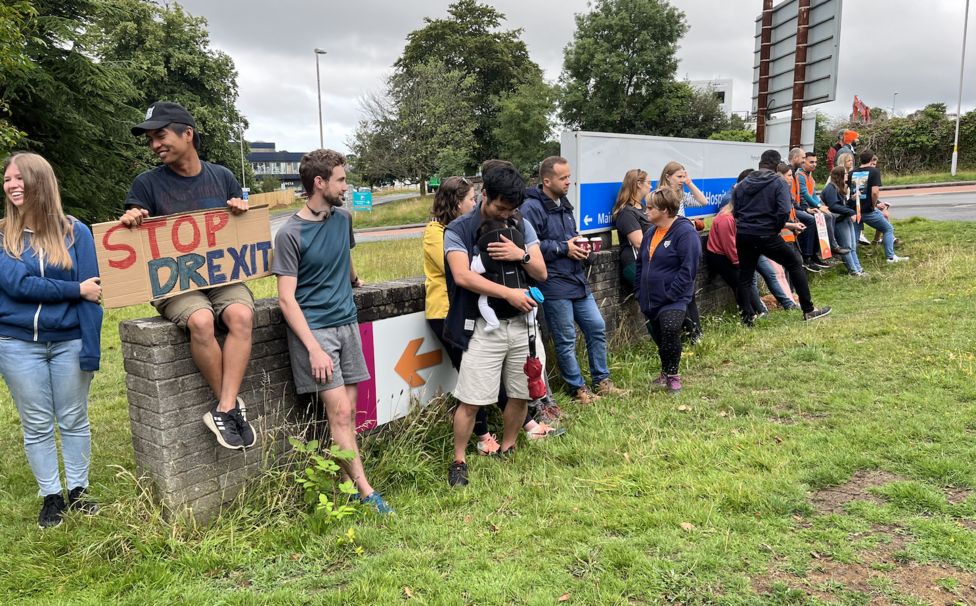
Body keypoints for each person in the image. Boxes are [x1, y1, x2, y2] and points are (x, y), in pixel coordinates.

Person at [121, 101, 256, 451]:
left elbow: (238, 228)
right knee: (200, 320)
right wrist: (134, 218)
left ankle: (225, 408)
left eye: (160, 135)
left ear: (188, 134)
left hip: (220, 275)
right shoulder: (146, 183)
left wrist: (240, 210)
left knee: (241, 314)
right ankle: (229, 406)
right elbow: (134, 237)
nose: (154, 145)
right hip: (174, 283)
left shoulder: (222, 175)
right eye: (150, 139)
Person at [273, 149, 392, 514]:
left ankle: (344, 482)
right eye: (341, 179)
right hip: (317, 332)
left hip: (348, 323)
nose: (347, 186)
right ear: (319, 183)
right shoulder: (289, 234)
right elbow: (285, 300)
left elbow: (345, 255)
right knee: (340, 414)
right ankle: (366, 490)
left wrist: (356, 280)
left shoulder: (343, 218)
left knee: (348, 412)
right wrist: (313, 349)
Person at [0, 152, 103, 528]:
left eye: (19, 178)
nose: (11, 185)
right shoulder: (1, 235)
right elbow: (18, 285)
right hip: (16, 343)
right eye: (7, 178)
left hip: (70, 341)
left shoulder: (77, 232)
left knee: (74, 417)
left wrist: (91, 347)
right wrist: (74, 288)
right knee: (37, 423)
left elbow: (95, 295)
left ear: (39, 181)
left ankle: (78, 491)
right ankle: (51, 497)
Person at [443, 163, 549, 487]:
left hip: (523, 326)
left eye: (512, 209)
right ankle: (459, 460)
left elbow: (541, 273)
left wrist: (521, 255)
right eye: (501, 207)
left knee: (520, 394)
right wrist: (510, 294)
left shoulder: (523, 226)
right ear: (484, 195)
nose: (506, 215)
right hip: (481, 328)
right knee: (471, 398)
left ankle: (508, 447)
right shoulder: (458, 230)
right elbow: (462, 276)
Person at [521, 156, 627, 404]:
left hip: (576, 279)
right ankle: (576, 388)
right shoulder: (531, 208)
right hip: (553, 283)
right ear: (547, 180)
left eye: (569, 176)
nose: (569, 181)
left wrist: (582, 246)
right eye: (563, 178)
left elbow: (570, 237)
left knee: (596, 327)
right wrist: (563, 248)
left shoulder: (564, 204)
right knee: (566, 338)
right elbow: (530, 246)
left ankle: (602, 380)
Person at [733, 149, 832, 323]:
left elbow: (736, 209)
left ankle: (746, 317)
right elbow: (784, 210)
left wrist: (745, 226)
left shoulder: (743, 183)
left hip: (744, 234)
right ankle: (808, 309)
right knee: (794, 262)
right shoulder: (778, 182)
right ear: (776, 164)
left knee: (746, 275)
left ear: (761, 163)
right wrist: (775, 227)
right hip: (766, 233)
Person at [634, 188, 701, 394]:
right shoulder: (650, 233)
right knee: (661, 338)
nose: (646, 211)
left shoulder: (684, 232)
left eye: (651, 207)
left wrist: (672, 293)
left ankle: (673, 376)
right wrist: (639, 291)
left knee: (671, 330)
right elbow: (641, 265)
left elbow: (689, 267)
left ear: (664, 209)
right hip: (649, 298)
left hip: (674, 298)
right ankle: (665, 371)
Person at [655, 162, 705, 342]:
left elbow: (703, 201)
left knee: (688, 289)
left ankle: (694, 332)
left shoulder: (680, 195)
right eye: (679, 177)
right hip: (671, 245)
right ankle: (692, 332)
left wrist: (690, 183)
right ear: (668, 176)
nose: (682, 180)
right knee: (683, 289)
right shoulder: (661, 196)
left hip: (682, 241)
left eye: (684, 176)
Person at [705, 197, 768, 320]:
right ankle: (748, 315)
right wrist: (737, 262)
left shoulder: (731, 216)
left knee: (741, 283)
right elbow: (728, 245)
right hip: (719, 256)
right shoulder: (725, 219)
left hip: (726, 253)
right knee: (740, 283)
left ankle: (751, 312)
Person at [851, 150, 908, 264]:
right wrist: (873, 205)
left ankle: (852, 260)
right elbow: (874, 193)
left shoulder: (853, 172)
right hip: (868, 210)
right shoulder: (874, 172)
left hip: (854, 209)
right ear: (871, 159)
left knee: (854, 237)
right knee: (888, 229)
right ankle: (890, 257)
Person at [612, 168, 652, 290]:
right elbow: (639, 242)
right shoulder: (627, 212)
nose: (651, 186)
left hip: (648, 260)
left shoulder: (643, 207)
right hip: (635, 262)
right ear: (639, 184)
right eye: (648, 183)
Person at [821, 165, 865, 276]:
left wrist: (851, 200)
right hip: (839, 221)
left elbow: (843, 205)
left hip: (845, 219)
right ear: (840, 175)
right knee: (846, 247)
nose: (847, 175)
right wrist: (851, 212)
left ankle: (858, 268)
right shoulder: (831, 188)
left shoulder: (839, 188)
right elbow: (834, 206)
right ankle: (853, 271)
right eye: (845, 174)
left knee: (852, 246)